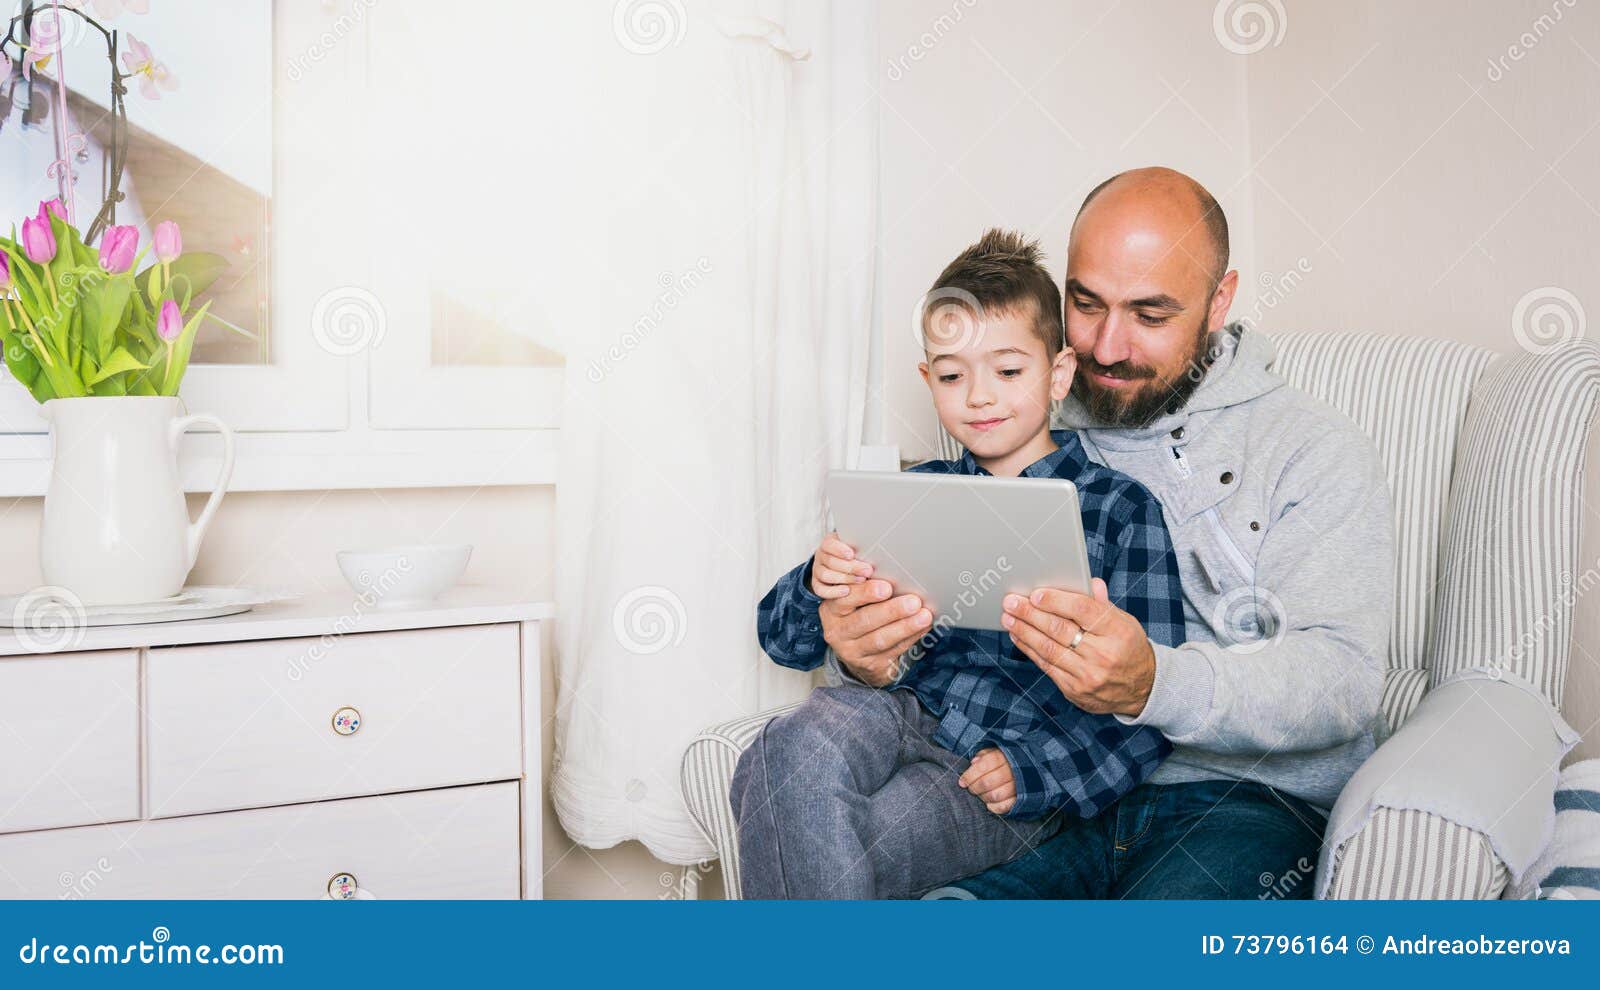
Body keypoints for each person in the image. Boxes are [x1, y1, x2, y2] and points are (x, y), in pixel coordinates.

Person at [933, 168, 1395, 898]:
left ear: (1219, 303)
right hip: (1057, 789)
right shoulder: (1020, 424)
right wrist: (871, 650)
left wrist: (1154, 681)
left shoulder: (1310, 449)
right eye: (1085, 305)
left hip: (1242, 805)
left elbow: (1342, 681)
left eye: (1150, 315)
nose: (1108, 348)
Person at [729, 229, 1187, 899]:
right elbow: (781, 639)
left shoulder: (1119, 510)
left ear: (1058, 373)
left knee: (847, 838)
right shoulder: (912, 495)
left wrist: (1035, 773)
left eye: (1007, 371)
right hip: (897, 711)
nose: (978, 396)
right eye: (951, 374)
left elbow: (1149, 710)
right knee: (779, 756)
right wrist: (814, 586)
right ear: (928, 380)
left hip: (1000, 766)